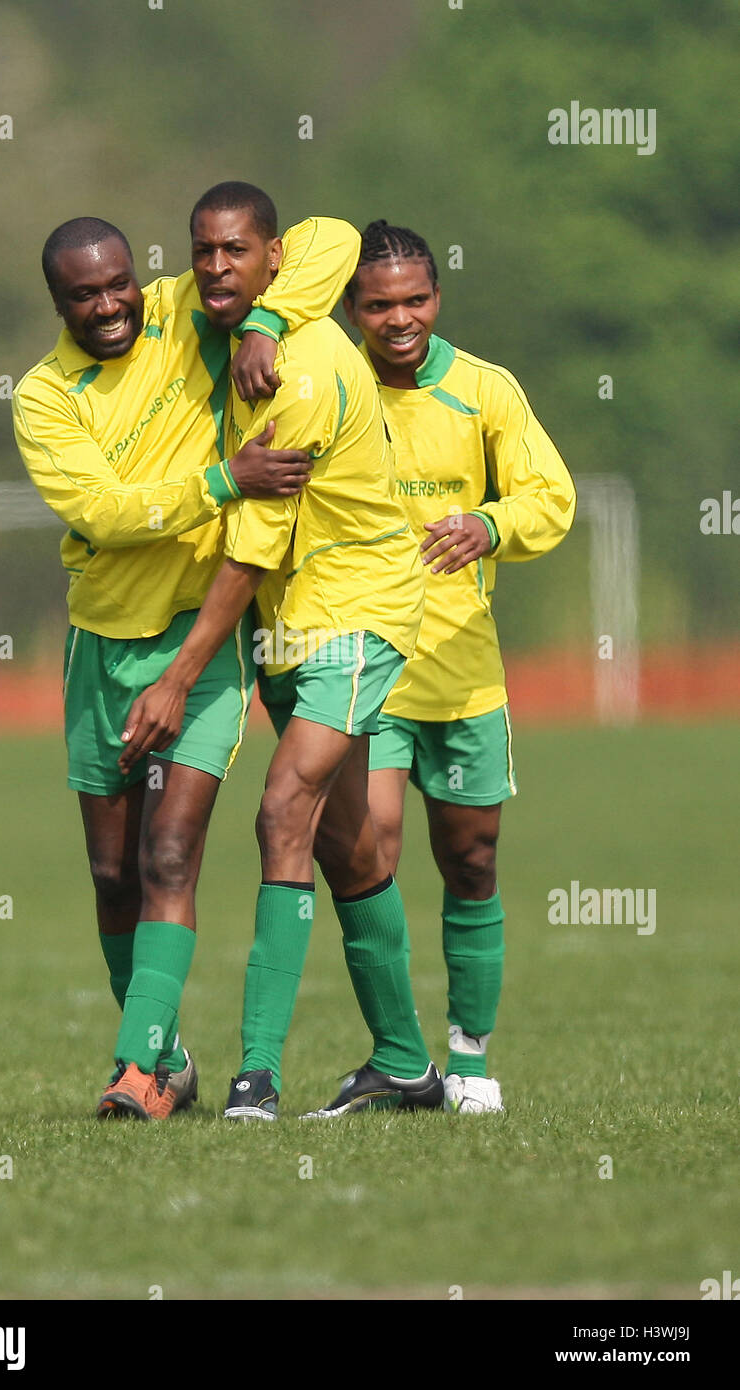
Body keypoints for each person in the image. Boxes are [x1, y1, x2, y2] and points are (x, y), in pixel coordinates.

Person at [13, 207, 361, 1118]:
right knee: (113, 876)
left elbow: (332, 240)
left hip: (197, 645)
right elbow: (105, 512)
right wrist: (222, 481)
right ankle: (165, 1054)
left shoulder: (183, 311)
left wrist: (268, 320)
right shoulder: (47, 396)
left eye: (118, 283)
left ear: (141, 275)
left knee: (171, 855)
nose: (110, 305)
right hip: (100, 650)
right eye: (84, 294)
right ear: (58, 302)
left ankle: (135, 1070)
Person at [118, 183, 444, 1121]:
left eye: (238, 252)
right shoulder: (257, 323)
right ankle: (407, 1065)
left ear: (272, 258)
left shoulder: (294, 378)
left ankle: (255, 1077)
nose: (216, 267)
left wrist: (178, 678)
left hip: (356, 615)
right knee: (350, 847)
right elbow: (332, 232)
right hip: (290, 629)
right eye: (202, 251)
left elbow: (251, 549)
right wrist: (259, 315)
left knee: (281, 813)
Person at [342, 220, 576, 1114]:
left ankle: (470, 1060)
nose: (399, 318)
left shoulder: (484, 391)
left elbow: (549, 495)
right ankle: (403, 1059)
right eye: (379, 304)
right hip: (368, 669)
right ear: (353, 309)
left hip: (465, 673)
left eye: (415, 300)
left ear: (437, 299)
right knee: (376, 852)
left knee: (471, 861)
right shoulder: (335, 391)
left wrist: (489, 523)